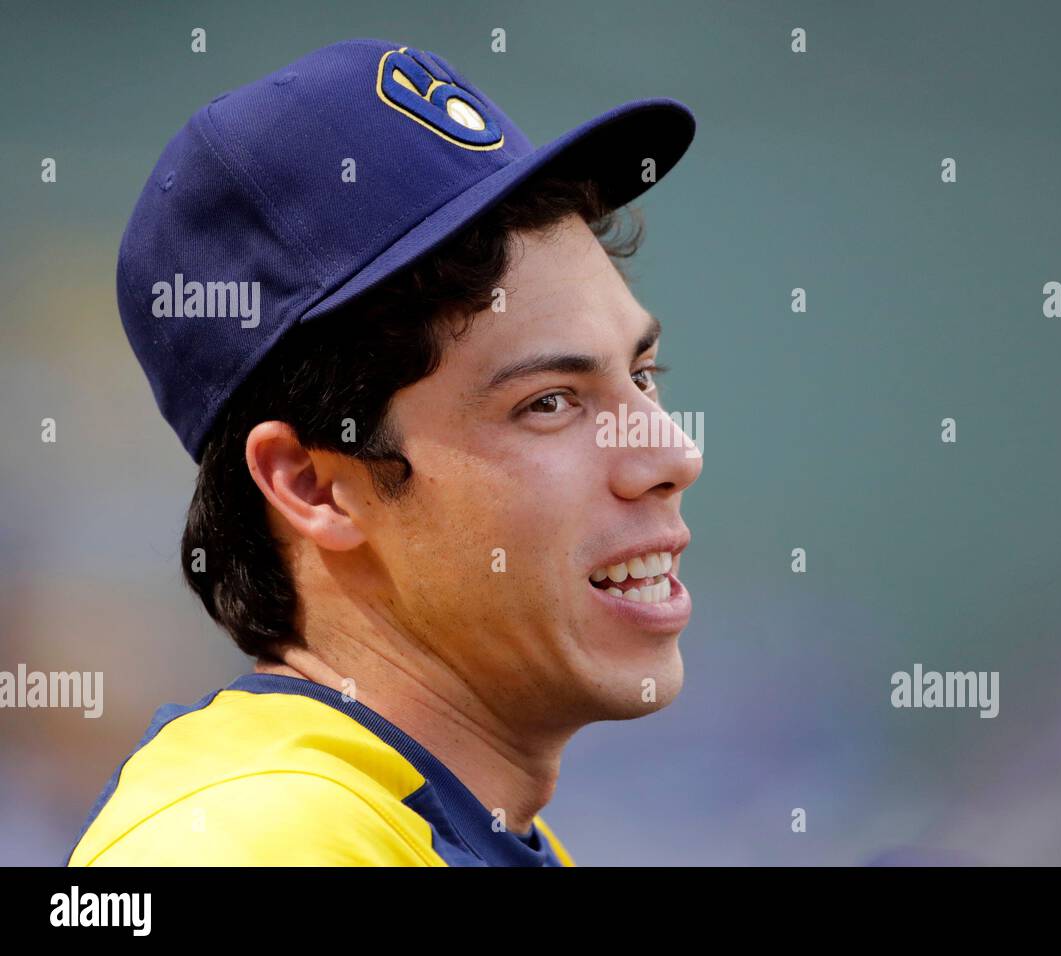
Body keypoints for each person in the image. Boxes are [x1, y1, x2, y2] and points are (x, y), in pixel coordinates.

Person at [65, 38, 701, 866]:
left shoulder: (441, 822)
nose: (672, 454)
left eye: (643, 376)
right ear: (312, 485)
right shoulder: (251, 843)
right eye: (549, 402)